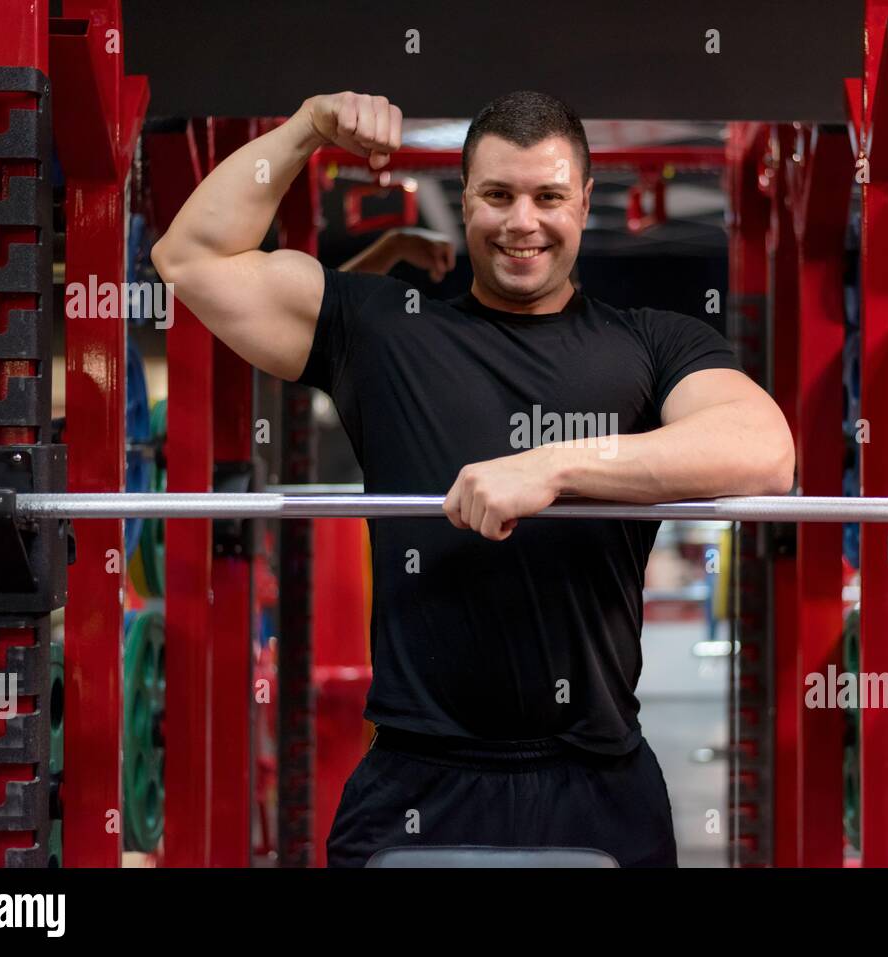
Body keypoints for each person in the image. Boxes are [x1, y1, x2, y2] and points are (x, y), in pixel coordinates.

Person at [151, 89, 795, 868]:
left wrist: (552, 465)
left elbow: (765, 449)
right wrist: (304, 130)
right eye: (498, 194)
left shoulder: (653, 344)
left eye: (549, 195)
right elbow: (190, 259)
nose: (523, 220)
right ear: (467, 200)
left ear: (584, 203)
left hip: (597, 780)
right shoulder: (386, 332)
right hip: (415, 781)